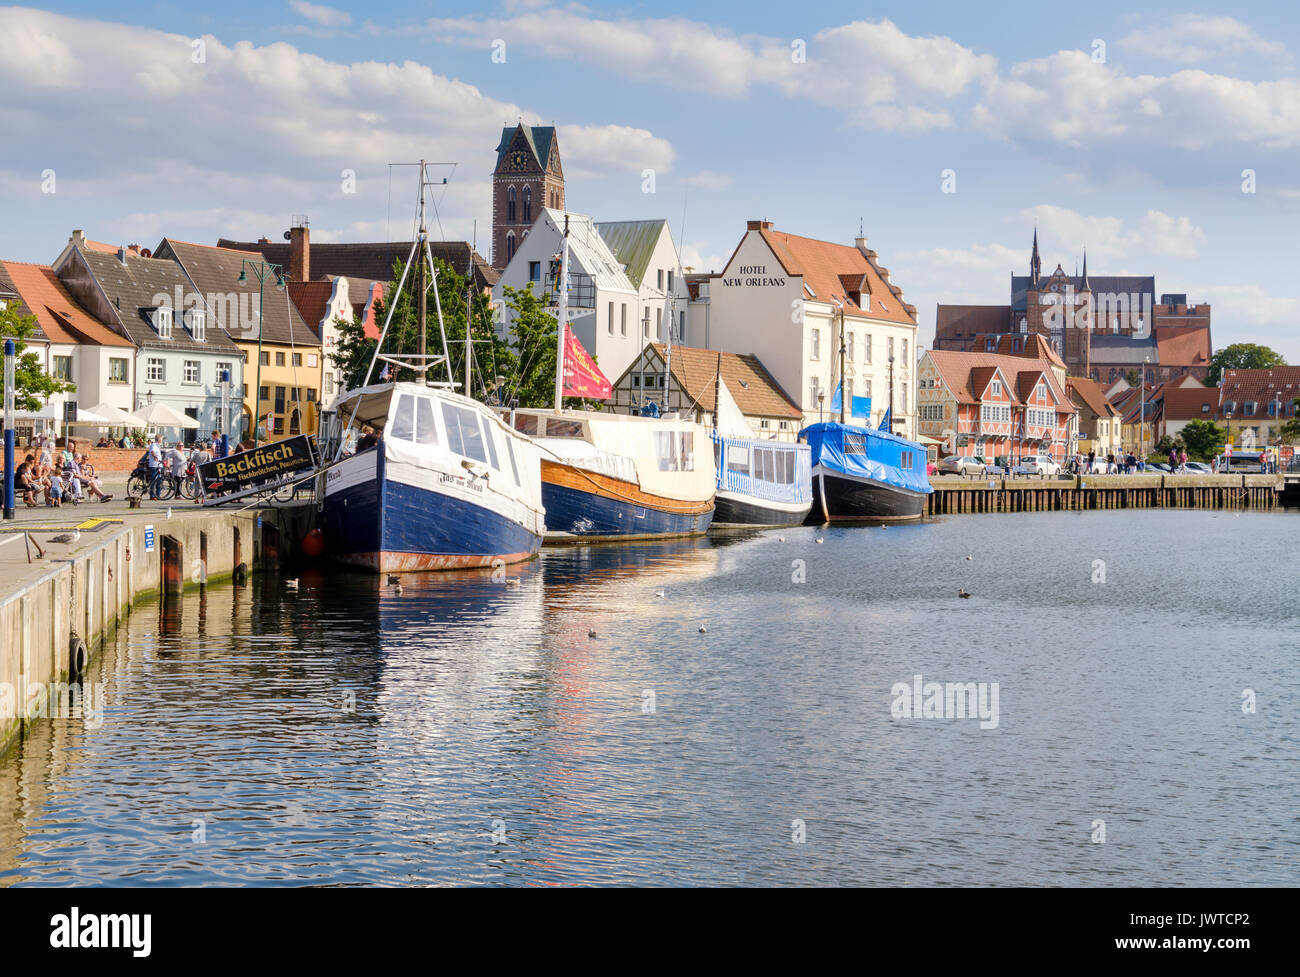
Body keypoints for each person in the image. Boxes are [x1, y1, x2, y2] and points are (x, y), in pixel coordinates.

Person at [146, 434, 164, 500]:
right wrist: (155, 457)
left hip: (159, 465)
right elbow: (152, 452)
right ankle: (152, 495)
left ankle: (158, 495)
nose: (162, 440)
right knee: (153, 480)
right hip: (154, 465)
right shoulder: (153, 445)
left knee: (159, 481)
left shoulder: (158, 446)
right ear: (159, 439)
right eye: (161, 439)